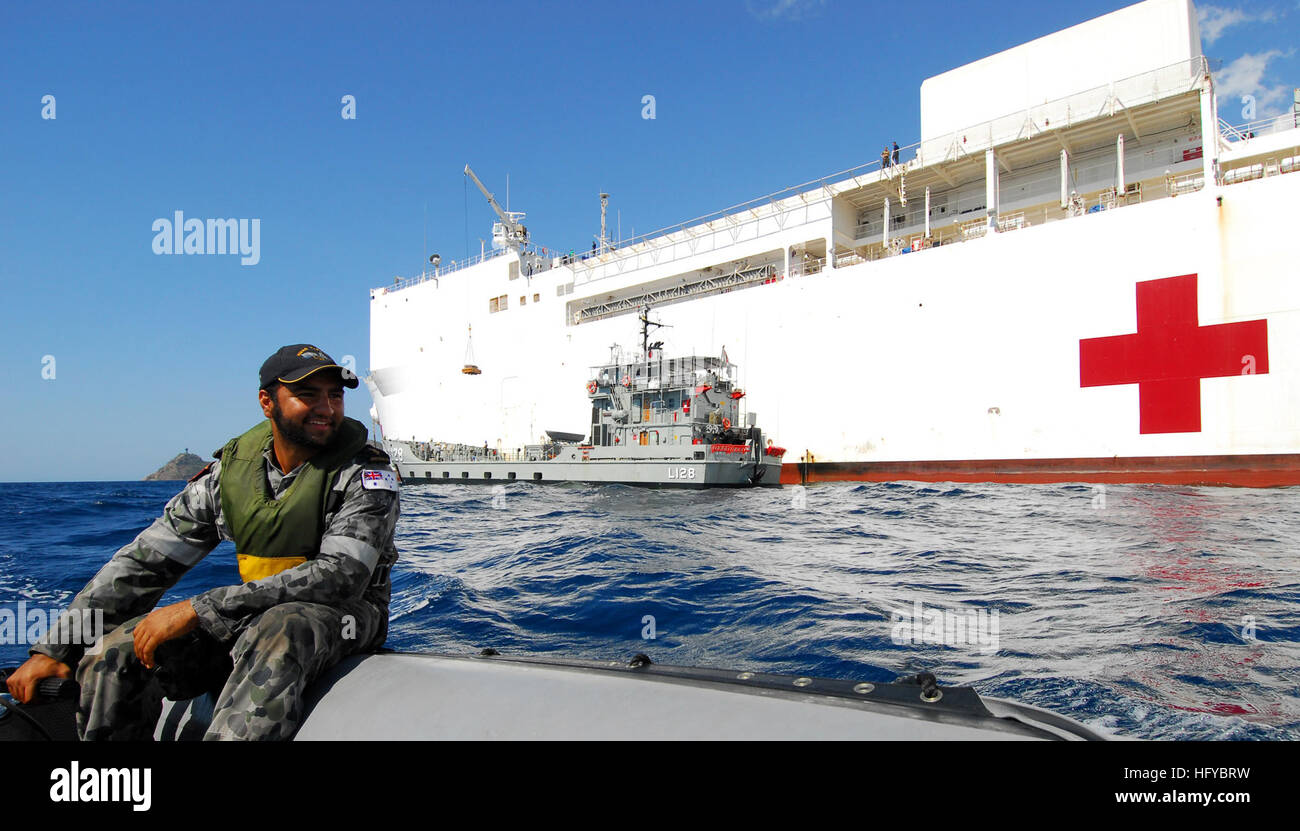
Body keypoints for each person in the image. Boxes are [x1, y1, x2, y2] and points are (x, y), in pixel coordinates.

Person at [7, 344, 400, 741]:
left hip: (349, 617)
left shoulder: (365, 475)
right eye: (307, 395)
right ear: (267, 402)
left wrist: (200, 609)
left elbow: (341, 577)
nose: (327, 408)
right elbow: (144, 563)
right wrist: (57, 649)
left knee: (283, 627)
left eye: (335, 395)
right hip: (250, 613)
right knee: (114, 653)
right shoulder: (229, 476)